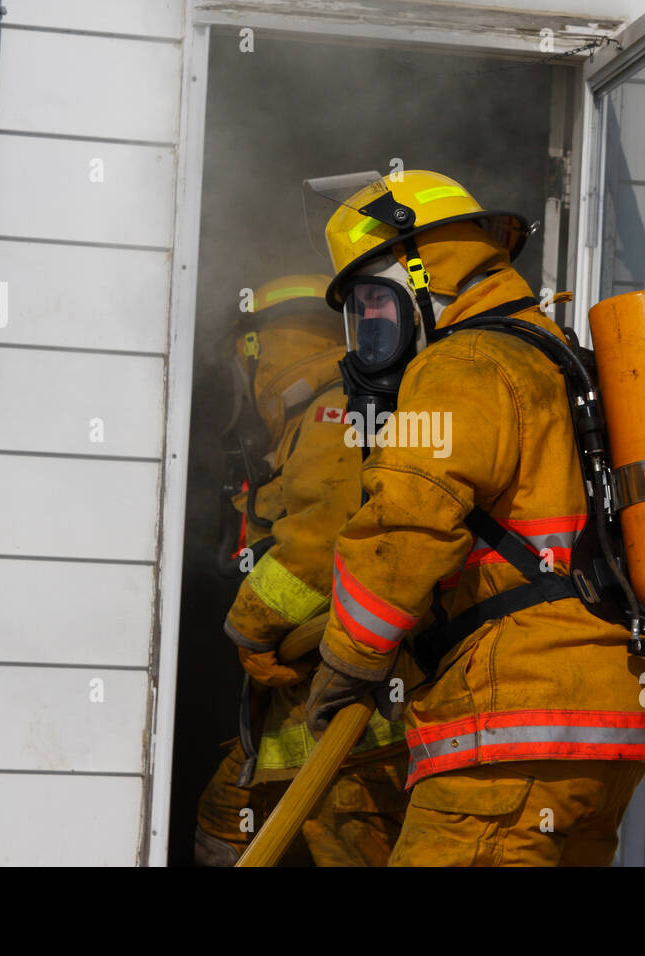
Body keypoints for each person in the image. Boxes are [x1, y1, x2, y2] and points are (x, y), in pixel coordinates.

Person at [303, 172, 645, 866]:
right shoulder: (558, 357)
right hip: (610, 723)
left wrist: (346, 663)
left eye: (374, 308)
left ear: (422, 274)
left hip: (513, 727)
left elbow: (405, 529)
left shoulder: (461, 363)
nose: (369, 339)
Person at [194, 274, 408, 867]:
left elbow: (319, 546)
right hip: (311, 711)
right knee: (224, 820)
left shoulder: (337, 411)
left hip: (361, 725)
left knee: (348, 836)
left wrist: (252, 629)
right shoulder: (314, 421)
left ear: (258, 351)